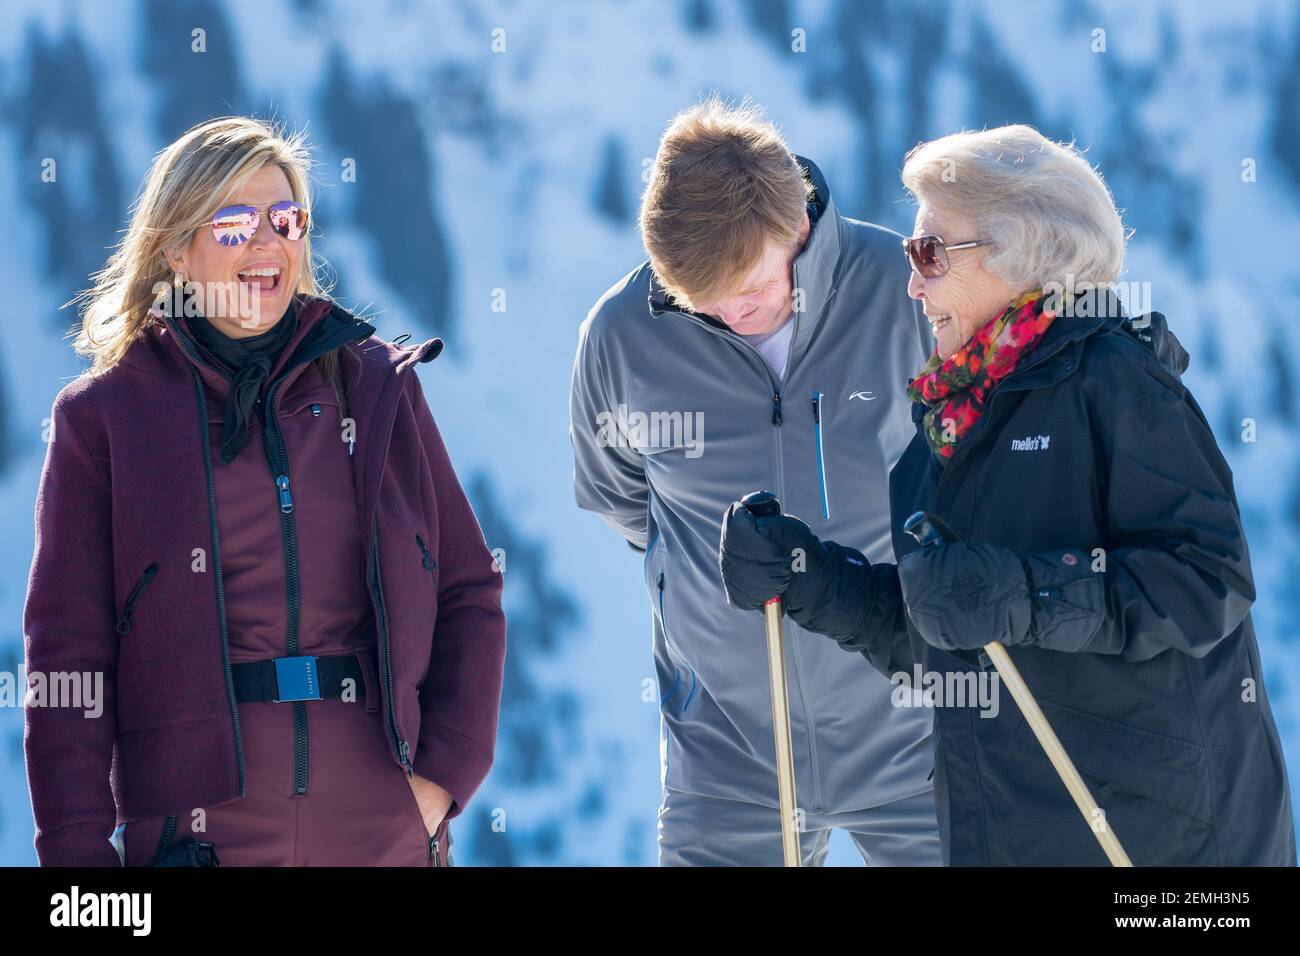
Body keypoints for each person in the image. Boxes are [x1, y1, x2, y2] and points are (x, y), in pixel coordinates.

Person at [720, 124, 1296, 865]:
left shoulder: (1116, 383)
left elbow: (1207, 581)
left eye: (931, 252)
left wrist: (1022, 593)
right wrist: (810, 580)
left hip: (1163, 848)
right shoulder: (949, 425)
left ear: (1026, 254)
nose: (912, 282)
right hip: (1011, 835)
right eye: (909, 252)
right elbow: (951, 635)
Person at [23, 115, 506, 866]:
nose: (267, 242)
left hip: (382, 822)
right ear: (175, 249)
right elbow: (68, 665)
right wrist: (79, 869)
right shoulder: (104, 419)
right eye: (234, 222)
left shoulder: (373, 388)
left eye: (286, 219)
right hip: (198, 836)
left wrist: (442, 778)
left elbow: (470, 590)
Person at [569, 96, 940, 865]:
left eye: (750, 289)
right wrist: (696, 571)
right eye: (698, 302)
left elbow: (985, 470)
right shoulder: (621, 334)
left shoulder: (906, 293)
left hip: (916, 729)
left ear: (798, 226)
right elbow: (621, 496)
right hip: (728, 756)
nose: (729, 314)